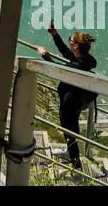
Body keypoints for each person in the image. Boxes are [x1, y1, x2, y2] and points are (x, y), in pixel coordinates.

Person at [34, 23, 97, 170]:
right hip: (77, 99)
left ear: (75, 46)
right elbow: (65, 52)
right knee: (72, 127)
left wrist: (44, 54)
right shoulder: (85, 60)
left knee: (68, 130)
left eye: (71, 40)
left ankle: (76, 165)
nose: (69, 41)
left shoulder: (75, 66)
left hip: (70, 100)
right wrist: (54, 35)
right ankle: (71, 153)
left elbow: (56, 69)